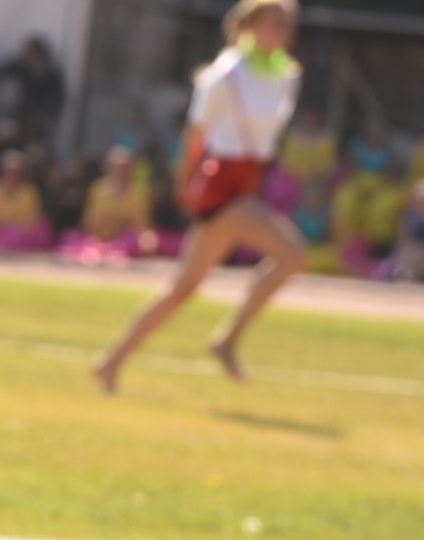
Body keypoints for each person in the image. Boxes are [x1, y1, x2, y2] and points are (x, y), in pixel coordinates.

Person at [93, 0, 305, 395]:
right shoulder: (227, 73)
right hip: (222, 185)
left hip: (249, 183)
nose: (283, 31)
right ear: (251, 24)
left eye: (287, 23)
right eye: (274, 22)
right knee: (292, 254)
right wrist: (183, 182)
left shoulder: (287, 75)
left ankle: (111, 361)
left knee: (183, 288)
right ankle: (227, 339)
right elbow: (196, 134)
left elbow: (269, 138)